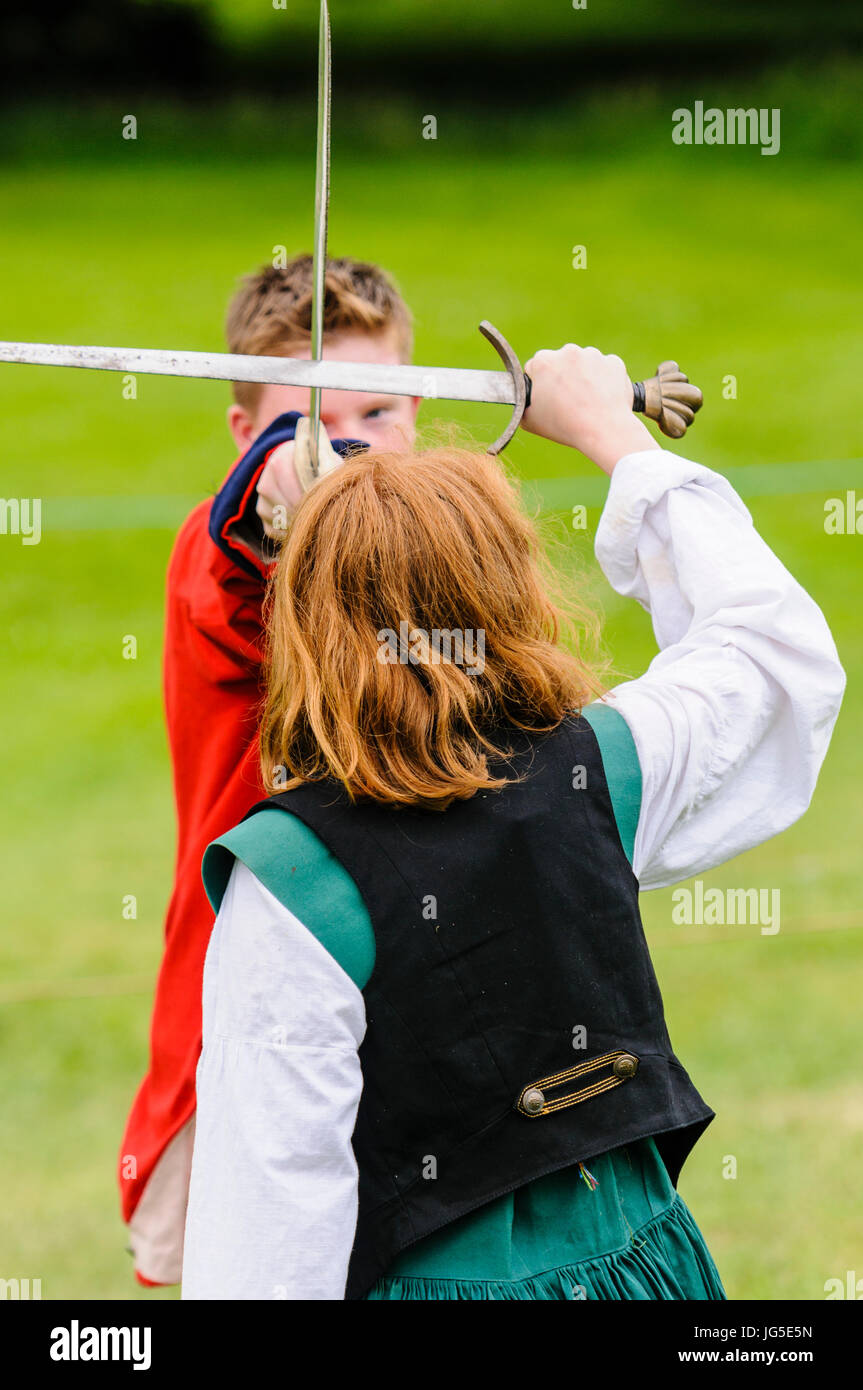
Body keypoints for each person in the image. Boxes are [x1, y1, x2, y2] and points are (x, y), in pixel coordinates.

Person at [180, 344, 845, 1300]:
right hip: (645, 1268)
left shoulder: (291, 882)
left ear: (308, 626)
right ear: (511, 593)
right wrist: (611, 435)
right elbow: (773, 651)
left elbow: (268, 1234)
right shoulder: (607, 768)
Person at [118, 254, 420, 1287]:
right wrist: (280, 502)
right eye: (309, 422)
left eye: (378, 411)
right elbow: (234, 570)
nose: (351, 447)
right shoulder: (220, 561)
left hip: (423, 1016)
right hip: (252, 1024)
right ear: (248, 436)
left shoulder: (448, 564)